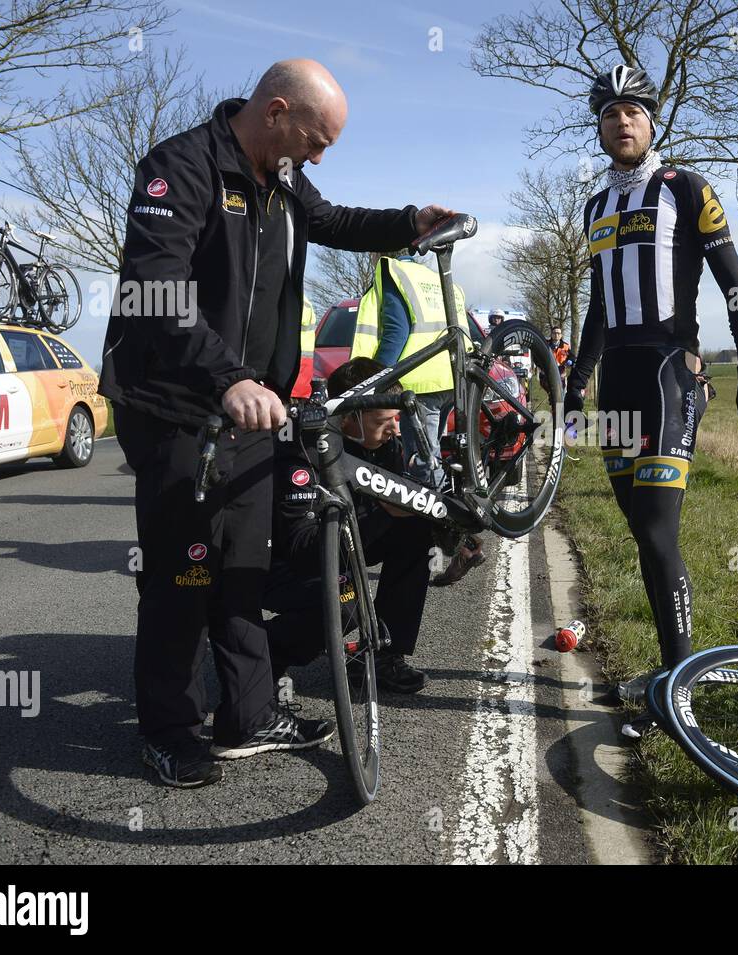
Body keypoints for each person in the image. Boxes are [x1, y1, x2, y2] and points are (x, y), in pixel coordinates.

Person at [99, 57, 455, 787]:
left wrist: (408, 225)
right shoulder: (180, 167)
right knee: (183, 572)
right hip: (176, 405)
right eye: (317, 139)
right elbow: (153, 290)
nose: (321, 156)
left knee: (243, 565)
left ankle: (250, 714)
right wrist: (225, 376)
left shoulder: (284, 176)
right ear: (277, 111)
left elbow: (333, 221)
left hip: (252, 406)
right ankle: (168, 729)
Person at [563, 65, 738, 704]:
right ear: (599, 126)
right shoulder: (595, 206)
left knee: (658, 531)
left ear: (651, 120)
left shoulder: (686, 188)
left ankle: (678, 690)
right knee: (641, 532)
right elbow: (600, 305)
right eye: (610, 112)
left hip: (670, 375)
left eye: (634, 109)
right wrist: (577, 383)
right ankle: (668, 674)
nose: (622, 120)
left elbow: (735, 284)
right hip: (616, 387)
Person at [264, 357, 434, 694]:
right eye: (384, 421)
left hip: (343, 536)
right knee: (348, 602)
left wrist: (452, 539)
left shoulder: (385, 443)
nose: (395, 430)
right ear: (350, 415)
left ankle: (384, 658)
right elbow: (302, 550)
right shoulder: (302, 449)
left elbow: (392, 512)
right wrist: (384, 515)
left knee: (416, 530)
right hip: (280, 560)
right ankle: (261, 657)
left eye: (397, 419)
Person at [348, 254, 486, 585]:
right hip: (451, 377)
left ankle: (464, 544)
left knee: (423, 467)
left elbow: (396, 332)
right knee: (429, 461)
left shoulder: (392, 273)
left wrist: (374, 385)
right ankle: (458, 542)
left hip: (419, 381)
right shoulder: (432, 279)